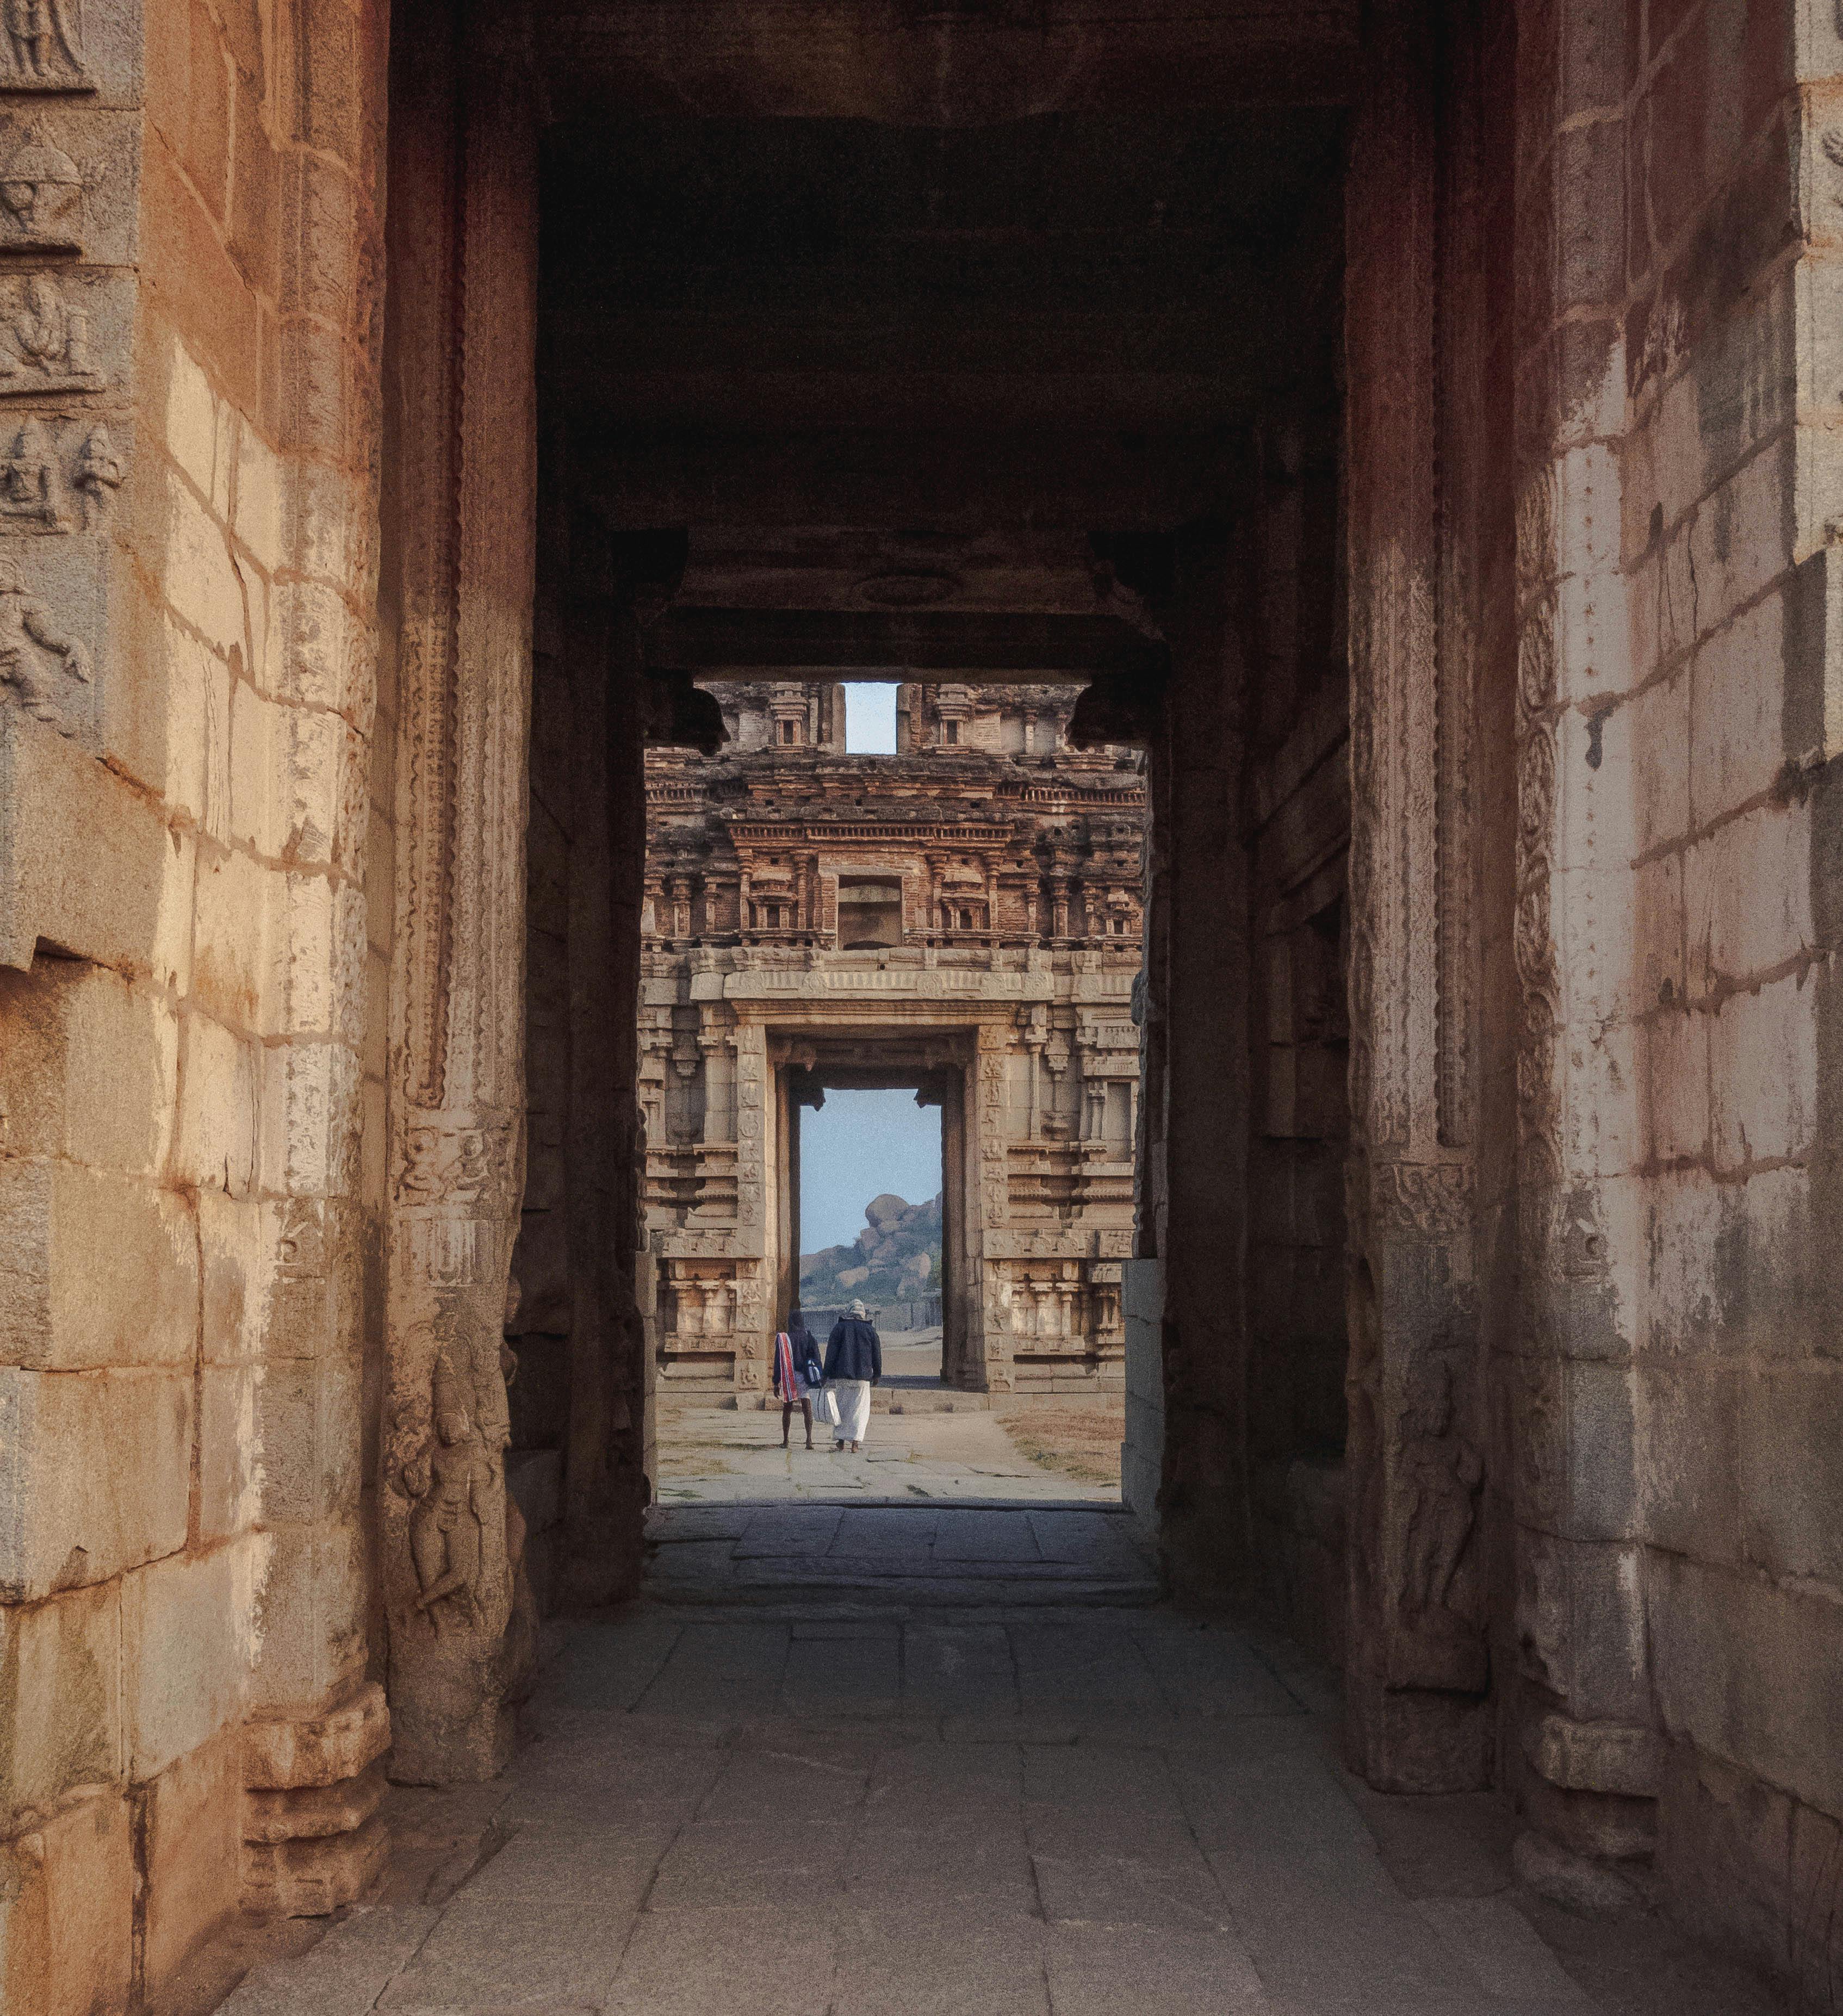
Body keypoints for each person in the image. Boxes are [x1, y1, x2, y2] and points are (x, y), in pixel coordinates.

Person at [823, 1299, 882, 1454]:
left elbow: (831, 1354)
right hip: (863, 1378)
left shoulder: (839, 1328)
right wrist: (877, 1374)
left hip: (843, 1376)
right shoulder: (870, 1331)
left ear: (849, 1312)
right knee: (860, 1410)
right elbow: (877, 1355)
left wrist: (826, 1374)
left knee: (842, 1408)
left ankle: (841, 1441)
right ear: (863, 1314)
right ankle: (855, 1443)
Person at [772, 1309, 821, 1450]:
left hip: (789, 1375)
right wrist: (818, 1378)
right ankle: (809, 1440)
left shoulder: (784, 1339)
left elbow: (778, 1362)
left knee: (787, 1408)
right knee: (807, 1407)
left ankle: (786, 1440)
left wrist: (776, 1382)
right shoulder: (809, 1337)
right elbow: (816, 1358)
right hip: (804, 1376)